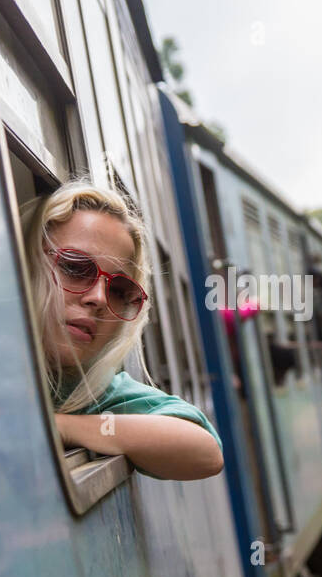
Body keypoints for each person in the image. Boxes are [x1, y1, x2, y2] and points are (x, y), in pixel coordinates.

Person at [19, 179, 224, 481]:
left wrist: (58, 426)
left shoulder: (93, 391)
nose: (99, 298)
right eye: (75, 267)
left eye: (119, 289)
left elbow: (204, 451)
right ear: (25, 264)